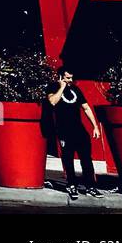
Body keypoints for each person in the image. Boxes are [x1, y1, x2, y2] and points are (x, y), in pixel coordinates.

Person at [46, 65, 102, 199]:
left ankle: (90, 187)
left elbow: (86, 107)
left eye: (71, 78)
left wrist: (95, 126)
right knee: (68, 159)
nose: (70, 80)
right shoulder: (52, 88)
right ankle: (71, 185)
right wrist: (62, 87)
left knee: (87, 160)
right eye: (67, 78)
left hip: (79, 130)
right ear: (60, 77)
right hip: (64, 131)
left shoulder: (76, 89)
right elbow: (53, 102)